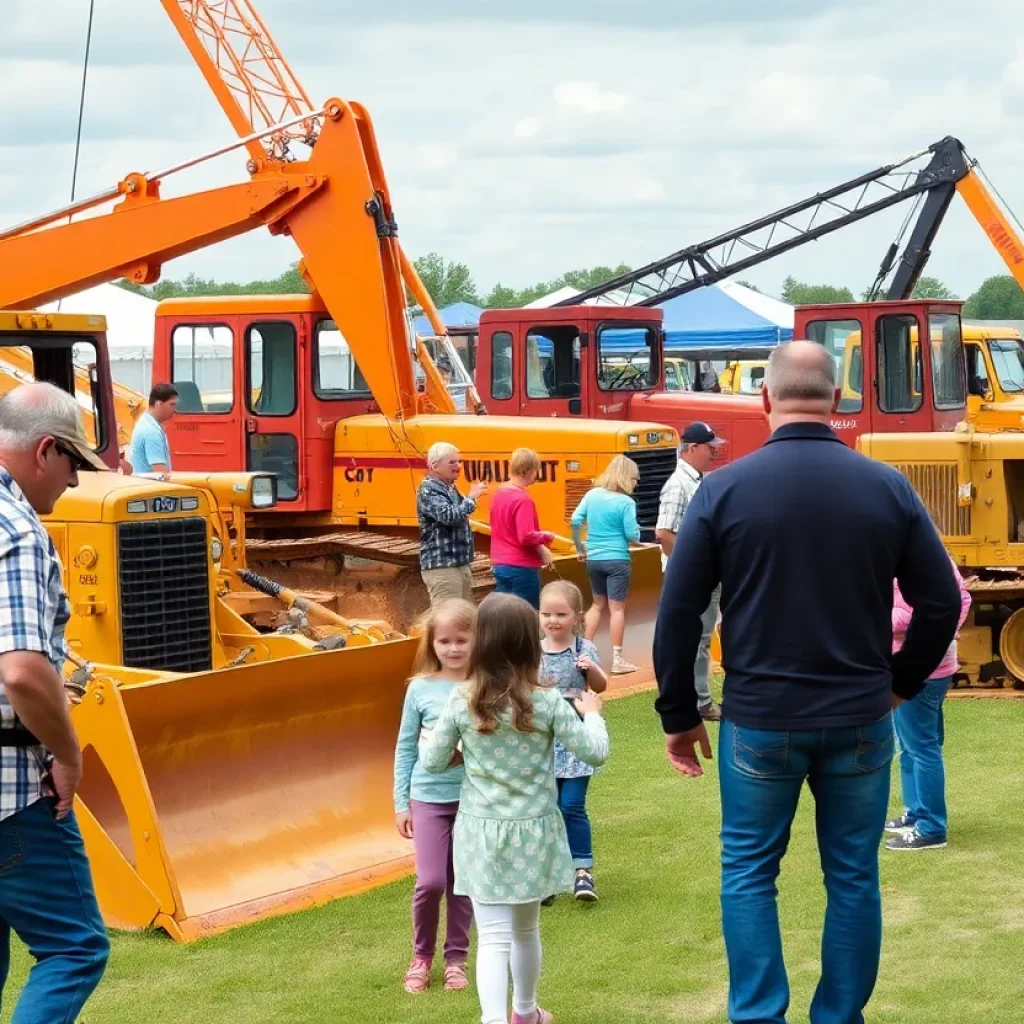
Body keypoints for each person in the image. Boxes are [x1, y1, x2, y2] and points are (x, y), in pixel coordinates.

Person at [653, 341, 962, 1024]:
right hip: (859, 713)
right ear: (838, 401)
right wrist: (903, 683)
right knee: (853, 877)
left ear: (764, 400)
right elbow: (942, 600)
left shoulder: (722, 490)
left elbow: (679, 612)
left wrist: (678, 714)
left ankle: (760, 1015)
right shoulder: (885, 486)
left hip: (761, 716)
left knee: (748, 874)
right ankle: (838, 1017)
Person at [422, 593, 608, 1024]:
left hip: (481, 831)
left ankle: (493, 1020)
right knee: (526, 930)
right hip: (533, 829)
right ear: (530, 642)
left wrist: (459, 751)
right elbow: (594, 752)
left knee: (492, 938)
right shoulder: (545, 701)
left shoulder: (464, 698)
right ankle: (524, 1012)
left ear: (481, 641)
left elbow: (431, 762)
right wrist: (593, 712)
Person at [0, 383, 110, 1020]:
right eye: (73, 464)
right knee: (74, 947)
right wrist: (67, 753)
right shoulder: (17, 529)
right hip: (12, 792)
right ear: (46, 450)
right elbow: (21, 671)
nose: (72, 484)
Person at [393, 599, 477, 994]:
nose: (454, 648)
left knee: (462, 881)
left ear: (478, 640)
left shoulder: (484, 685)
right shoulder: (420, 690)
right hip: (427, 799)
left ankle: (456, 959)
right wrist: (400, 802)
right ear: (432, 643)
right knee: (430, 882)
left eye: (462, 639)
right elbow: (405, 748)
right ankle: (421, 956)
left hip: (473, 800)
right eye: (445, 641)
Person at [885, 555, 971, 852]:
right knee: (911, 746)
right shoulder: (935, 558)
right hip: (931, 665)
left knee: (921, 747)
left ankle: (932, 827)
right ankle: (916, 812)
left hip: (920, 668)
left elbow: (910, 615)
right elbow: (962, 599)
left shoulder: (917, 563)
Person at [538, 580, 608, 903]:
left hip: (577, 735)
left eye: (560, 614)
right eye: (546, 613)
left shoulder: (584, 649)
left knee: (571, 805)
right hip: (544, 739)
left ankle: (583, 870)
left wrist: (591, 669)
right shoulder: (534, 652)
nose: (553, 620)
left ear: (577, 617)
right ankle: (549, 875)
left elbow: (601, 685)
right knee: (547, 807)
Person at [655, 422, 727, 722]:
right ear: (692, 448)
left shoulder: (695, 479)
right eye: (710, 448)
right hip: (692, 578)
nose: (714, 452)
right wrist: (690, 570)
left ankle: (696, 698)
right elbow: (663, 532)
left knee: (699, 637)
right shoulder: (678, 483)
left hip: (700, 575)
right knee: (695, 639)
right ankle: (700, 703)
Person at [569, 454, 641, 675]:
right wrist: (639, 534)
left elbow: (574, 520)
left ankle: (583, 653)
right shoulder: (626, 502)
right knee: (617, 609)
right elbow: (632, 535)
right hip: (617, 558)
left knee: (597, 604)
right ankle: (618, 659)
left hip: (594, 558)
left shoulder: (592, 495)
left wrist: (580, 547)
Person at [417, 442, 487, 605]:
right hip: (442, 566)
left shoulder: (450, 487)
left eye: (459, 461)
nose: (458, 466)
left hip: (459, 563)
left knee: (463, 617)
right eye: (452, 462)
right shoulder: (429, 490)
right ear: (435, 466)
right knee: (448, 618)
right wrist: (471, 498)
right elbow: (450, 516)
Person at [489, 448, 555, 608]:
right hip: (521, 566)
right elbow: (525, 536)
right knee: (527, 614)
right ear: (526, 471)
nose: (536, 475)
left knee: (506, 614)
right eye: (535, 471)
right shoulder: (522, 499)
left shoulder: (499, 493)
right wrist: (546, 536)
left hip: (500, 563)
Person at [128, 382, 178, 475]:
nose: (174, 409)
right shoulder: (152, 432)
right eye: (172, 404)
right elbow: (161, 473)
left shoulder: (145, 422)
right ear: (159, 404)